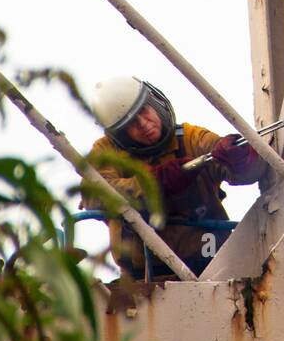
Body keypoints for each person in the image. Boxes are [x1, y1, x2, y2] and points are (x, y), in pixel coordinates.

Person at [86, 77, 265, 279]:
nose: (144, 124)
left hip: (213, 267)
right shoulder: (105, 153)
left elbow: (251, 171)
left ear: (155, 103)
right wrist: (156, 183)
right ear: (118, 133)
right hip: (143, 278)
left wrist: (240, 158)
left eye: (144, 111)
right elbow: (95, 197)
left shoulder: (190, 138)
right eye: (132, 124)